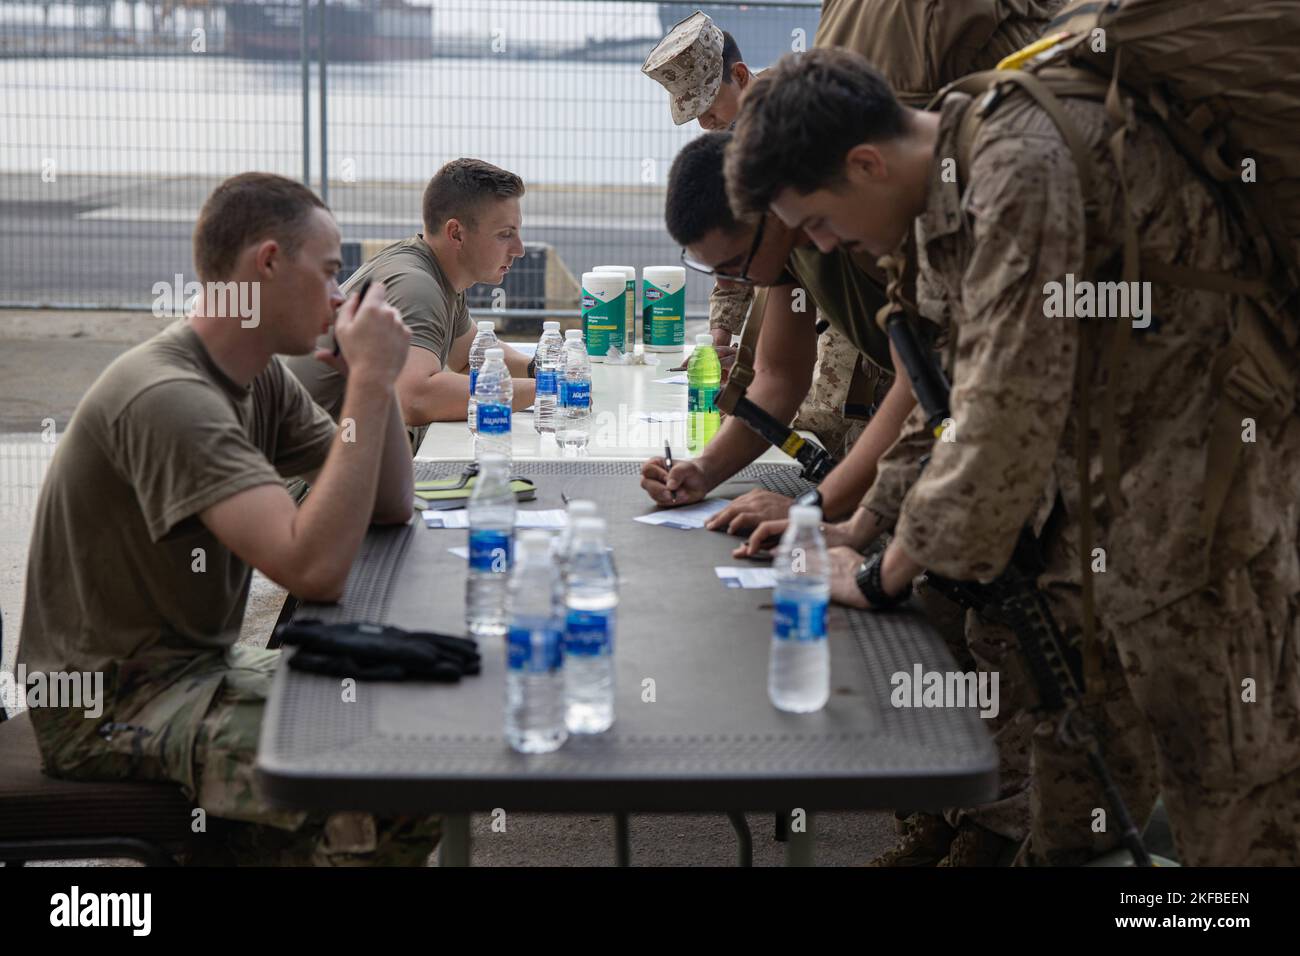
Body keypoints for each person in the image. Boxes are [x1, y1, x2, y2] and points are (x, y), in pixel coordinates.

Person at [726, 47, 1300, 865]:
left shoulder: (1020, 167)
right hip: (1096, 547)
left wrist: (880, 574)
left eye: (817, 219)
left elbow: (1003, 413)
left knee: (1236, 830)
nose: (825, 242)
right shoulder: (949, 187)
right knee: (1077, 824)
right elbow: (945, 394)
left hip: (1205, 541)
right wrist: (860, 527)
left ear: (865, 163)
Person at [18, 172, 439, 865]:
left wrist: (380, 378)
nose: (341, 295)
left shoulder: (258, 377)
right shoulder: (170, 396)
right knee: (385, 783)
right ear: (269, 263)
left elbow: (391, 501)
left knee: (401, 713)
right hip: (107, 706)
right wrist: (365, 382)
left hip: (195, 668)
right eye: (332, 272)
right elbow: (314, 569)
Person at [642, 11, 869, 463]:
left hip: (851, 303)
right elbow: (737, 255)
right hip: (809, 298)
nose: (705, 124)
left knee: (834, 417)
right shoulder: (738, 135)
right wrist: (721, 339)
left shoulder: (802, 127)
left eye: (709, 108)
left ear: (741, 76)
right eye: (696, 116)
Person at [285, 158, 536, 454]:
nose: (519, 249)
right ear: (456, 233)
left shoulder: (440, 273)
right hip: (314, 483)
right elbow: (416, 397)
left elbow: (471, 356)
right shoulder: (416, 286)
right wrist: (545, 391)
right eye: (505, 234)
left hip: (344, 462)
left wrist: (540, 370)